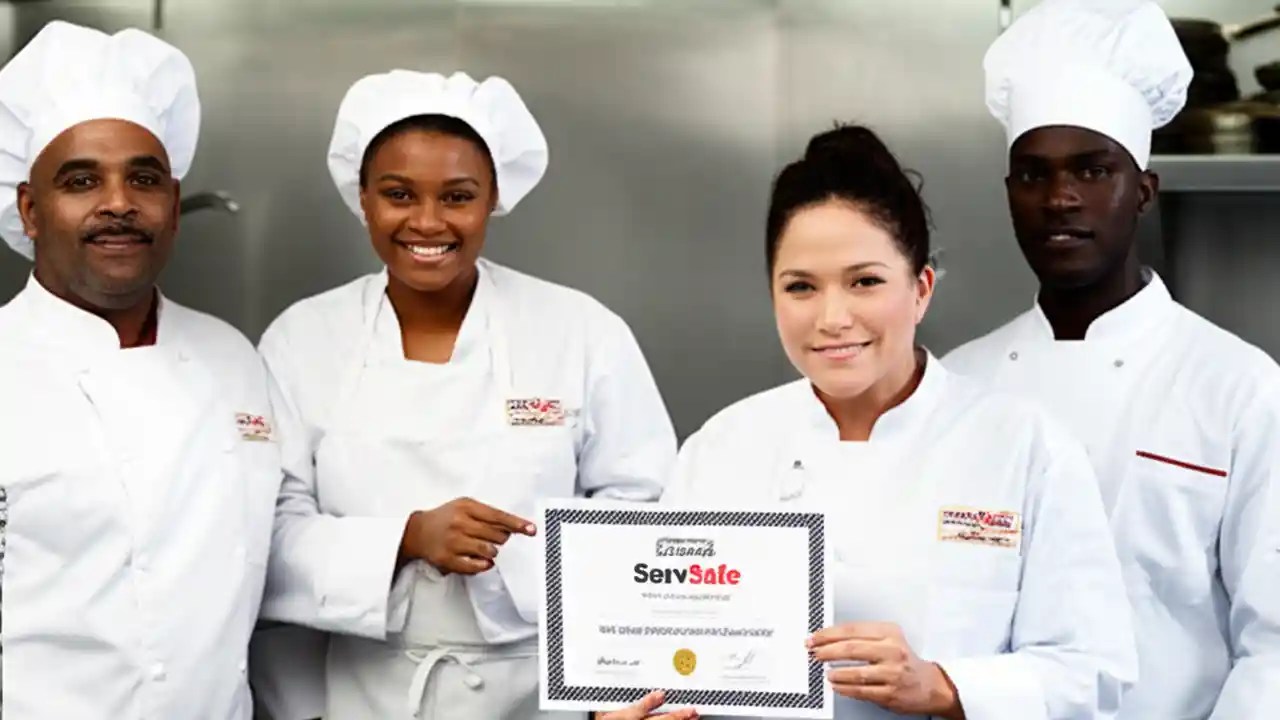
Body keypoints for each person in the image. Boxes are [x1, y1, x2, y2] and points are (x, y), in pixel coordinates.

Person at [602, 124, 1136, 720]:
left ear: (921, 289)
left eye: (865, 282)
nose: (833, 317)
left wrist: (943, 687)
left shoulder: (1022, 445)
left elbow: (1094, 674)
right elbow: (660, 654)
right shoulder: (722, 447)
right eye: (800, 287)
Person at [249, 70, 677, 719]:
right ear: (362, 198)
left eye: (457, 196)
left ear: (493, 198)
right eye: (398, 194)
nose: (427, 222)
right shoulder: (303, 339)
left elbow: (644, 513)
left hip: (543, 693)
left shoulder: (579, 330)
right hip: (360, 692)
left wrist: (522, 570)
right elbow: (264, 532)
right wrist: (409, 537)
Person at [944, 1, 1280, 717]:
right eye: (1032, 176)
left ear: (1144, 193)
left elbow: (1275, 643)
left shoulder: (1240, 388)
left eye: (1093, 171)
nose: (1060, 198)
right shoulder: (956, 385)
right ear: (1009, 197)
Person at [0, 20, 279, 718]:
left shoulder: (233, 358)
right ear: (30, 211)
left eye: (144, 179)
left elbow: (278, 544)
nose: (119, 203)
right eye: (82, 180)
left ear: (175, 208)